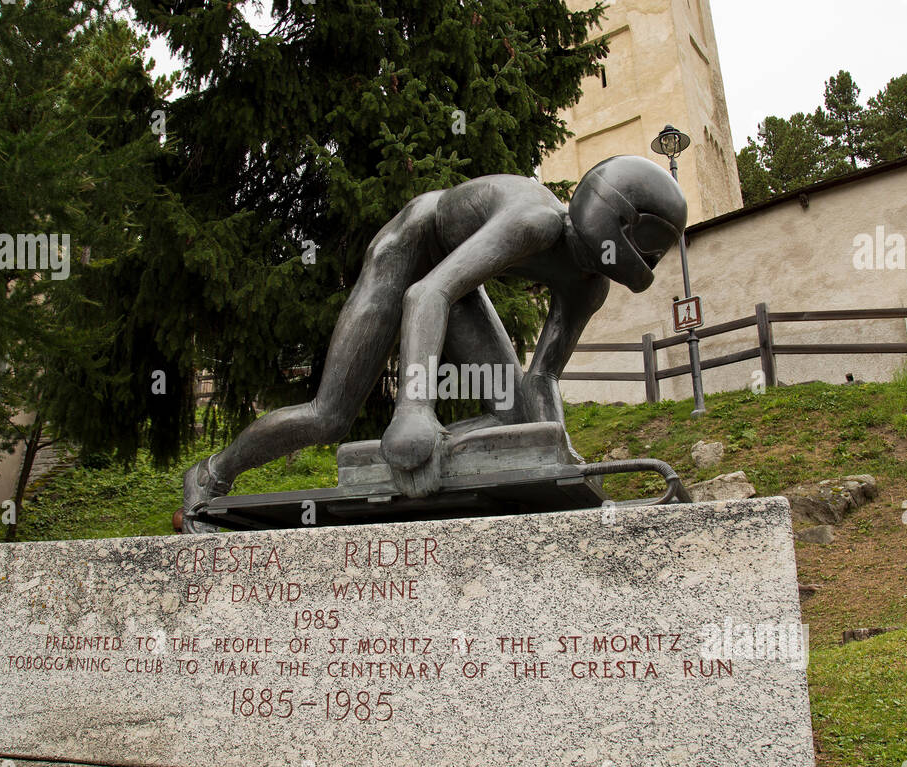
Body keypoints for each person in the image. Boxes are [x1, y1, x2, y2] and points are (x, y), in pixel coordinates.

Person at [178, 154, 686, 532]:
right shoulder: (535, 221)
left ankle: (438, 450)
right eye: (638, 255)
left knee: (516, 417)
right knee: (328, 416)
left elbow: (544, 377)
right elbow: (426, 292)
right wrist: (413, 408)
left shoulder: (588, 284)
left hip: (451, 281)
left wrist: (558, 451)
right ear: (615, 224)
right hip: (409, 255)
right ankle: (212, 474)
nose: (633, 266)